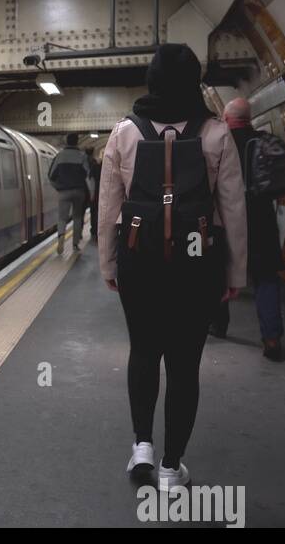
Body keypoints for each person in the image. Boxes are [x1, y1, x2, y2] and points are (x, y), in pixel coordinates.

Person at [97, 44, 247, 490]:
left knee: (143, 351)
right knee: (184, 365)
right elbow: (233, 210)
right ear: (193, 81)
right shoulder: (217, 133)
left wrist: (108, 262)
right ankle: (170, 467)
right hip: (197, 262)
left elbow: (108, 206)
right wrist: (234, 274)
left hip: (138, 259)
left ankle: (140, 446)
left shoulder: (124, 132)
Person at [210, 98, 285, 360]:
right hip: (261, 219)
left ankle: (219, 325)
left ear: (227, 117)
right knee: (266, 278)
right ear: (249, 118)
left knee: (218, 272)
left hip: (226, 218)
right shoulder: (263, 141)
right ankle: (272, 338)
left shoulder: (218, 142)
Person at [48, 133, 91, 254]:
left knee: (62, 218)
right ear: (77, 142)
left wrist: (58, 187)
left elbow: (51, 176)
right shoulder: (82, 156)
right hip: (79, 191)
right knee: (77, 217)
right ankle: (75, 244)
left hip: (64, 192)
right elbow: (88, 176)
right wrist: (91, 193)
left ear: (66, 141)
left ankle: (61, 235)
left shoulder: (59, 156)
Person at [85, 148, 101, 241]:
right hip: (101, 194)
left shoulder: (94, 168)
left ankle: (93, 230)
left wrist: (91, 194)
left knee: (93, 212)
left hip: (94, 193)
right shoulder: (98, 165)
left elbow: (91, 180)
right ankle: (97, 230)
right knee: (99, 213)